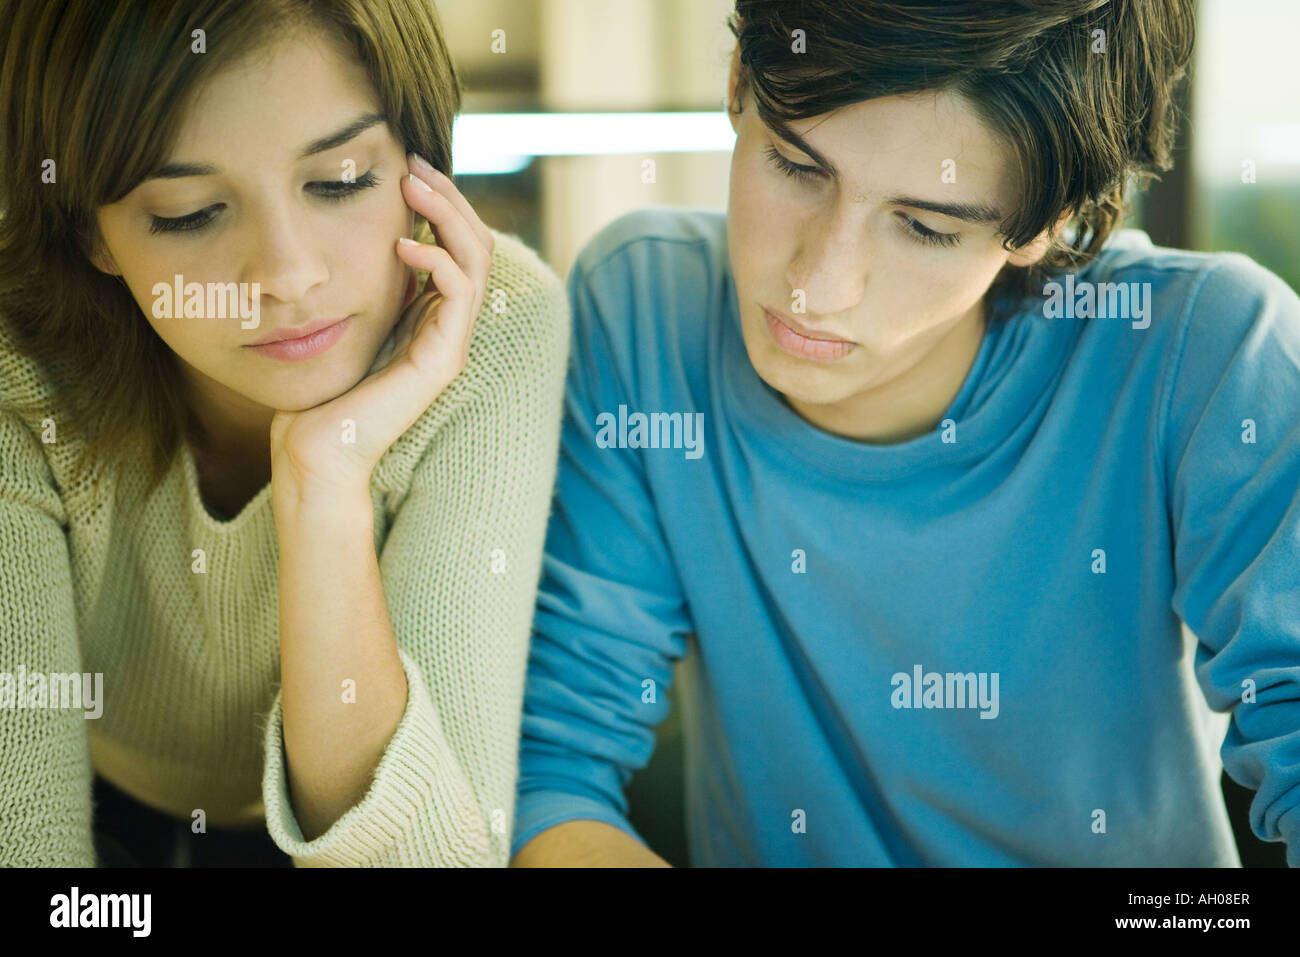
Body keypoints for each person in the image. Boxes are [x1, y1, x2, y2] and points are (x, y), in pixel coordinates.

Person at [510, 0, 1300, 867]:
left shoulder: (1206, 351)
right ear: (739, 83)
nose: (819, 282)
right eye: (794, 165)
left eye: (925, 225)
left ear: (1043, 224)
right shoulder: (644, 312)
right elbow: (551, 777)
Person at [0, 0, 569, 867]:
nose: (290, 275)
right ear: (91, 231)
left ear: (423, 166)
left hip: (328, 804)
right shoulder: (18, 363)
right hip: (105, 791)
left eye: (340, 180)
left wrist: (325, 477)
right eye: (190, 212)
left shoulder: (493, 324)